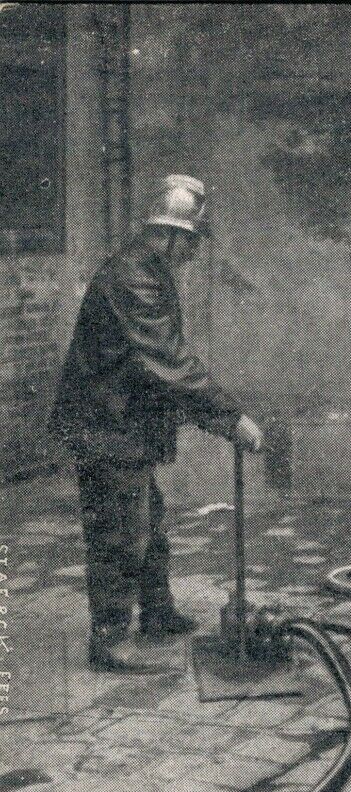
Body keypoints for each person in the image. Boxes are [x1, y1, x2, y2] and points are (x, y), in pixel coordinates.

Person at [49, 175, 265, 673]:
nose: (192, 254)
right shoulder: (134, 278)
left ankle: (157, 613)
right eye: (190, 242)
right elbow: (168, 361)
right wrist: (230, 418)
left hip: (123, 423)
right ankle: (109, 641)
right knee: (120, 533)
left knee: (149, 520)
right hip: (105, 425)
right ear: (170, 235)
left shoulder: (147, 267)